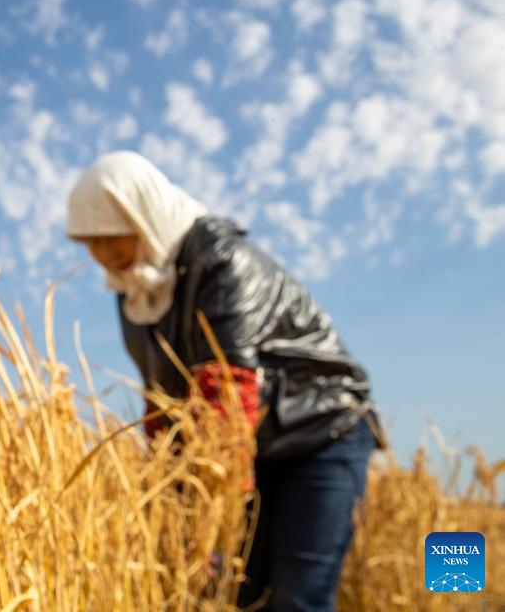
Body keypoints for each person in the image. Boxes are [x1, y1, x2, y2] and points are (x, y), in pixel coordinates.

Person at [65, 150, 384, 611]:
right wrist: (167, 500)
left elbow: (229, 396)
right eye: (90, 241)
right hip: (258, 446)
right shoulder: (136, 296)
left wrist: (209, 522)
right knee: (243, 595)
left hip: (320, 429)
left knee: (297, 596)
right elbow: (163, 401)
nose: (103, 254)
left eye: (112, 235)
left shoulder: (221, 261)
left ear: (144, 214)